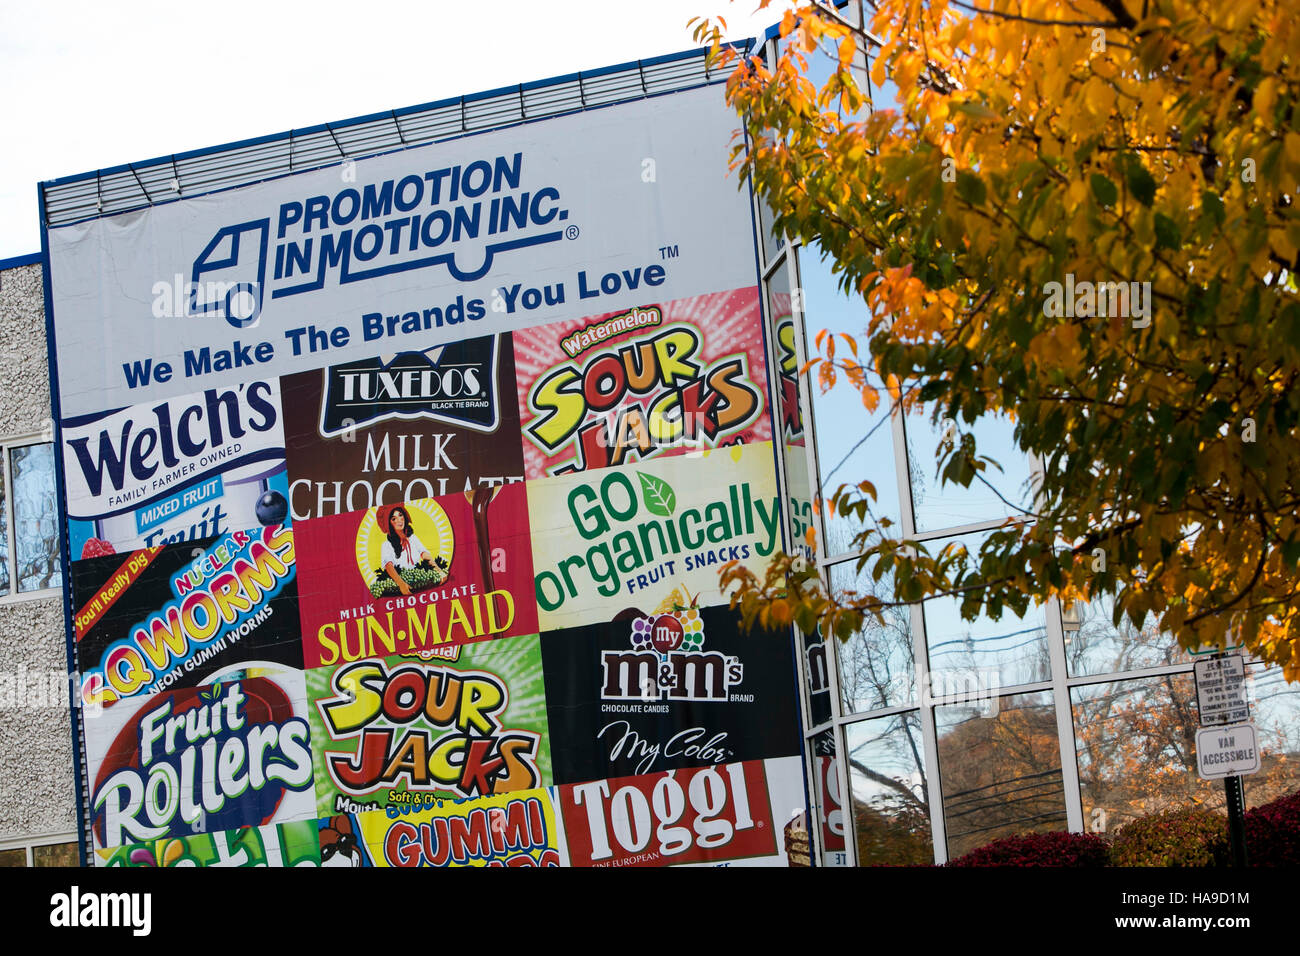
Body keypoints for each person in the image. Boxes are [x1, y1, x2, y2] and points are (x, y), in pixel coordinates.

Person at [381, 505, 430, 597]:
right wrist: (401, 584)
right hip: (400, 584)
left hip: (418, 580)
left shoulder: (412, 538)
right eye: (394, 519)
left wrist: (437, 568)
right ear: (389, 524)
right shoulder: (386, 545)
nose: (399, 520)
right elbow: (389, 565)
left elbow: (424, 553)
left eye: (400, 515)